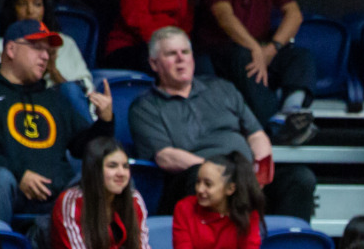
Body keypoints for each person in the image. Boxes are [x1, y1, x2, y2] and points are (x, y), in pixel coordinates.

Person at [129, 27, 316, 221]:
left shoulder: (222, 88)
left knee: (299, 178)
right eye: (171, 54)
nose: (180, 58)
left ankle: (283, 247)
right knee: (199, 178)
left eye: (185, 52)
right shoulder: (145, 106)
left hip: (242, 180)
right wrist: (221, 173)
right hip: (193, 182)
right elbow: (166, 157)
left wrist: (259, 170)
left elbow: (256, 135)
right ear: (154, 63)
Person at [0, 20, 115, 224]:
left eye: (47, 51)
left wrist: (105, 121)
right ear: (11, 49)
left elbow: (84, 148)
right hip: (1, 194)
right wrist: (18, 175)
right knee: (1, 178)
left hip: (55, 200)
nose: (45, 56)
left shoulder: (53, 98)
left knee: (107, 177)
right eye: (37, 48)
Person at [194, 0, 318, 144]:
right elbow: (225, 17)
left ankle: (291, 111)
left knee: (300, 56)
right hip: (223, 52)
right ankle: (273, 125)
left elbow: (294, 14)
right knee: (245, 57)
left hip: (261, 48)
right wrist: (256, 50)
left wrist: (271, 49)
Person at [169, 154, 263, 249]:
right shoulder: (184, 207)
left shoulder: (247, 215)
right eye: (198, 182)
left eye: (208, 184)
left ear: (230, 188)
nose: (200, 189)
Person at [0, 0, 94, 94]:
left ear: (45, 9)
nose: (30, 11)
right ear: (13, 8)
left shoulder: (65, 43)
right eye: (22, 4)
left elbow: (86, 90)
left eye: (37, 4)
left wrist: (54, 73)